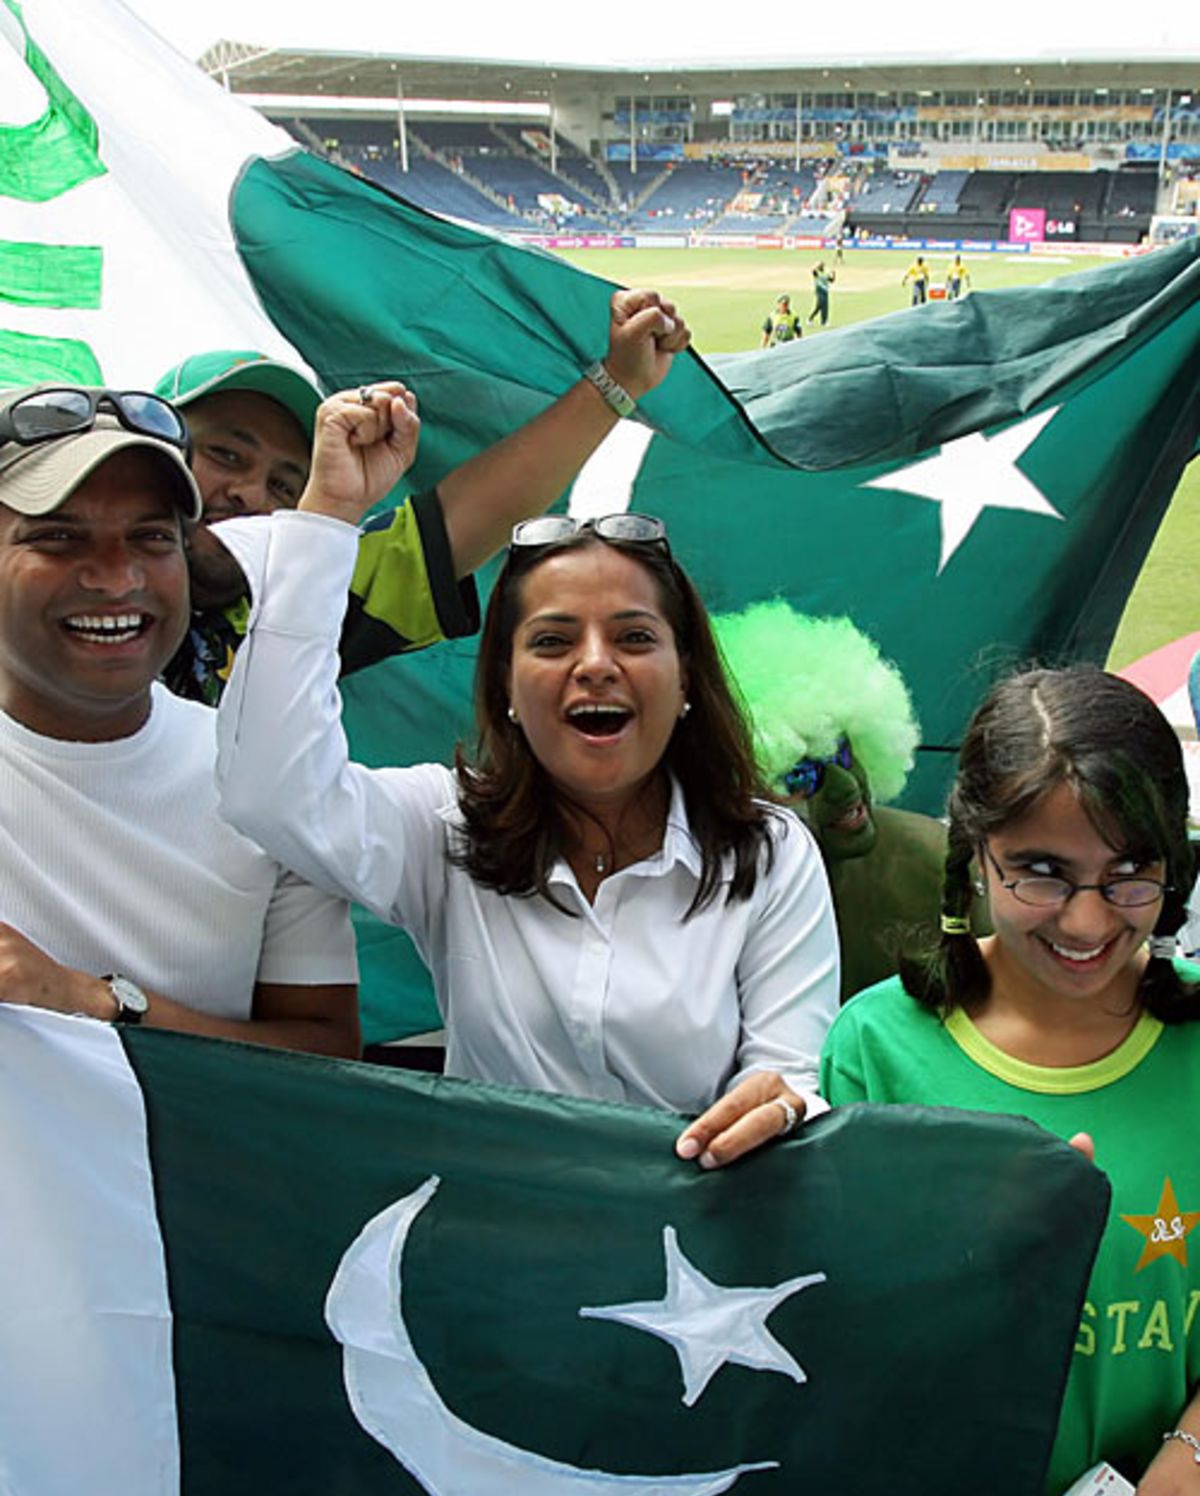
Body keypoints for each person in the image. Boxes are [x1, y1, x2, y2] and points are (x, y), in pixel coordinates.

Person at [214, 384, 841, 1170]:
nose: (595, 666)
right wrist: (327, 520)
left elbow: (791, 1069)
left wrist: (781, 1104)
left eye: (635, 637)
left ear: (686, 680)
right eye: (551, 641)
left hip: (696, 1254)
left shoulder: (770, 852)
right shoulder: (444, 829)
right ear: (504, 689)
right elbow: (267, 790)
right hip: (498, 1251)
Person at [820, 666, 1200, 1496]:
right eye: (1041, 872)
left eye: (1129, 876)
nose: (1086, 919)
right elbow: (835, 1321)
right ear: (974, 853)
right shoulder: (876, 1045)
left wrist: (1194, 1446)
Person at [0, 385, 359, 1055]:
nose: (115, 579)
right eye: (57, 538)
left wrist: (92, 1001)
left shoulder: (269, 785)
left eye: (152, 538)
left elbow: (326, 1057)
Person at [155, 289, 690, 703]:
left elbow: (461, 521)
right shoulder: (76, 582)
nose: (250, 494)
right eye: (226, 455)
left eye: (283, 486)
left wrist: (617, 381)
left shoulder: (293, 603)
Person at [716, 602, 976, 999]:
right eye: (800, 775)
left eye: (842, 754)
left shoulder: (938, 862)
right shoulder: (693, 900)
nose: (847, 788)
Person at [807, 263, 835, 327]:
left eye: (822, 266)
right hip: (819, 290)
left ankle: (824, 322)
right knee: (819, 305)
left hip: (825, 291)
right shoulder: (816, 273)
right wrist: (816, 266)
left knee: (825, 307)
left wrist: (833, 273)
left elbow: (832, 280)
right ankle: (810, 319)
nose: (821, 267)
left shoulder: (825, 273)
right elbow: (812, 270)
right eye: (820, 266)